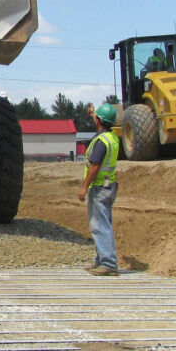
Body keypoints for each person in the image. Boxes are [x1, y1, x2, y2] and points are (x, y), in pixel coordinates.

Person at [77, 102, 120, 275]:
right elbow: (101, 120)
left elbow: (95, 165)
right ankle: (101, 259)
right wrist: (93, 113)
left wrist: (84, 187)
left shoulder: (101, 141)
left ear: (99, 122)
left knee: (100, 226)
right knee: (103, 223)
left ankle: (108, 264)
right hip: (109, 187)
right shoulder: (112, 137)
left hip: (99, 188)